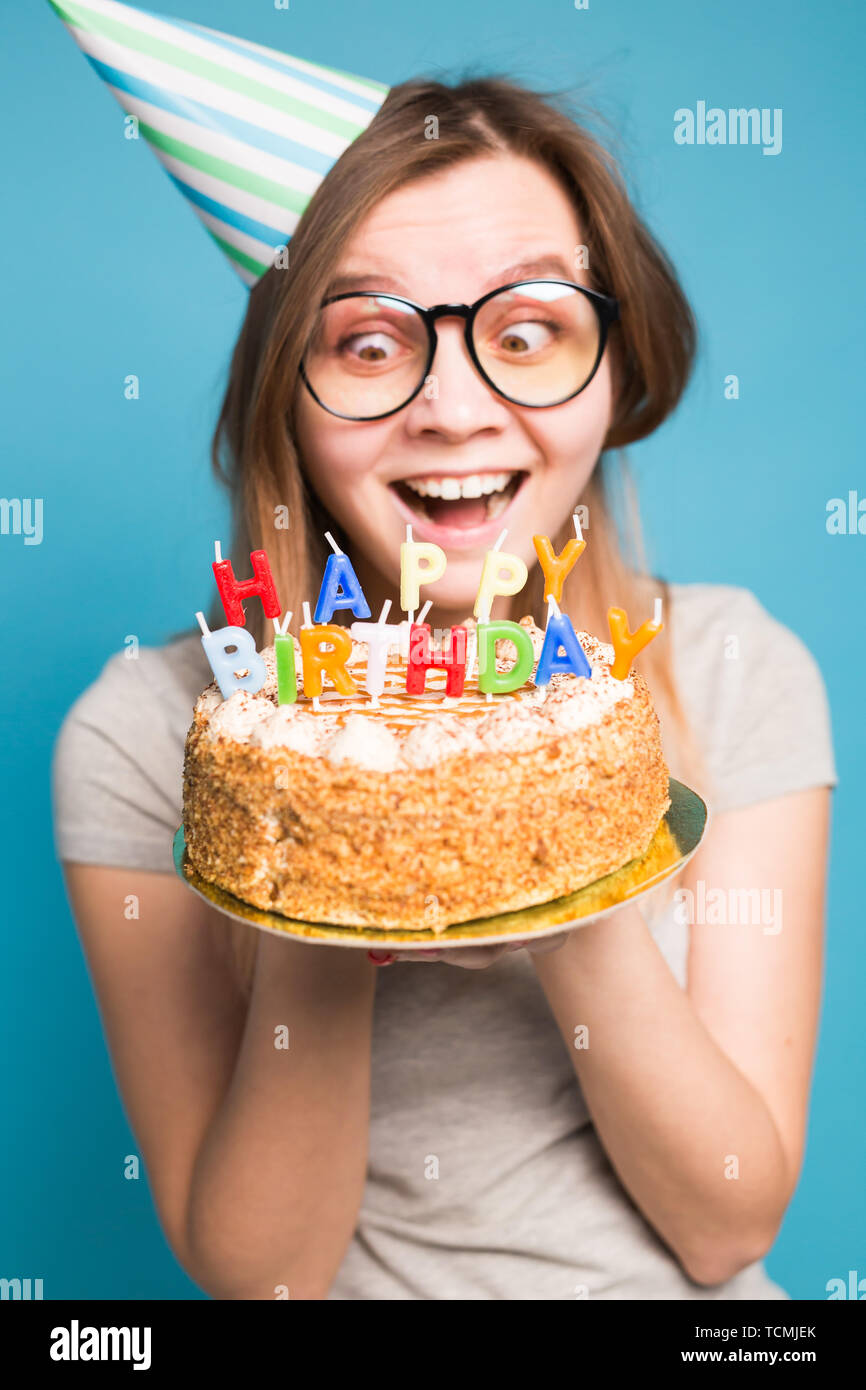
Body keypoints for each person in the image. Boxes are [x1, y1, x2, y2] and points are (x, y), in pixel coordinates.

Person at [53, 76, 836, 1301]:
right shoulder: (157, 731)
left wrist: (553, 846)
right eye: (368, 343)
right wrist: (326, 845)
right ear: (287, 397)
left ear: (613, 371)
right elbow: (267, 1281)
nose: (455, 408)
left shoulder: (733, 672)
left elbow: (725, 1226)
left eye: (526, 332)